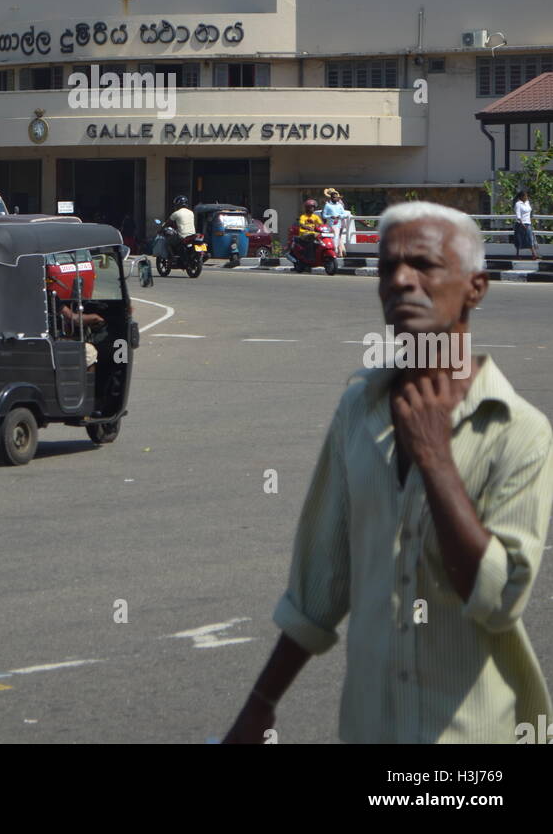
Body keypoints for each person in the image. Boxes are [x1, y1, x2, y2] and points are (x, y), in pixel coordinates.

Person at [223, 202, 553, 745]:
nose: (400, 280)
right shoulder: (360, 409)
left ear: (475, 287)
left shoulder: (519, 431)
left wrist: (435, 457)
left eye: (423, 264)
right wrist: (260, 706)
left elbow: (499, 601)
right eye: (386, 268)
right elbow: (319, 586)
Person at [165, 194, 195, 262]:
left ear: (177, 204)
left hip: (182, 236)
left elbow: (167, 223)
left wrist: (160, 230)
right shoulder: (191, 213)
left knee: (168, 242)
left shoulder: (176, 213)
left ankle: (173, 258)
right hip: (192, 236)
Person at [513, 189, 539, 260]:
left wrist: (531, 219)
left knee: (530, 238)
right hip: (521, 224)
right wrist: (522, 224)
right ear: (521, 197)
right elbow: (518, 215)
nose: (527, 197)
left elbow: (529, 212)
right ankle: (518, 255)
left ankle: (534, 254)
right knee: (519, 240)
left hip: (528, 223)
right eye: (525, 196)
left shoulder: (527, 202)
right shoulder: (518, 204)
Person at [295, 198, 323, 263]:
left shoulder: (315, 217)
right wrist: (307, 227)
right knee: (312, 237)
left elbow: (321, 224)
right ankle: (310, 257)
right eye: (310, 207)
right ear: (307, 208)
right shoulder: (303, 216)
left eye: (313, 207)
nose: (312, 209)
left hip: (314, 234)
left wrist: (322, 227)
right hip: (304, 234)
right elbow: (301, 224)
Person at [322, 188, 348, 256]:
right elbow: (324, 215)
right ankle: (340, 251)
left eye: (336, 197)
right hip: (331, 223)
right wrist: (330, 216)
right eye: (334, 197)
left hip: (339, 223)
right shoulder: (327, 205)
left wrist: (339, 216)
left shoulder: (339, 204)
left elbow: (344, 214)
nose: (335, 198)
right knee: (336, 236)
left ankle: (337, 251)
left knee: (337, 236)